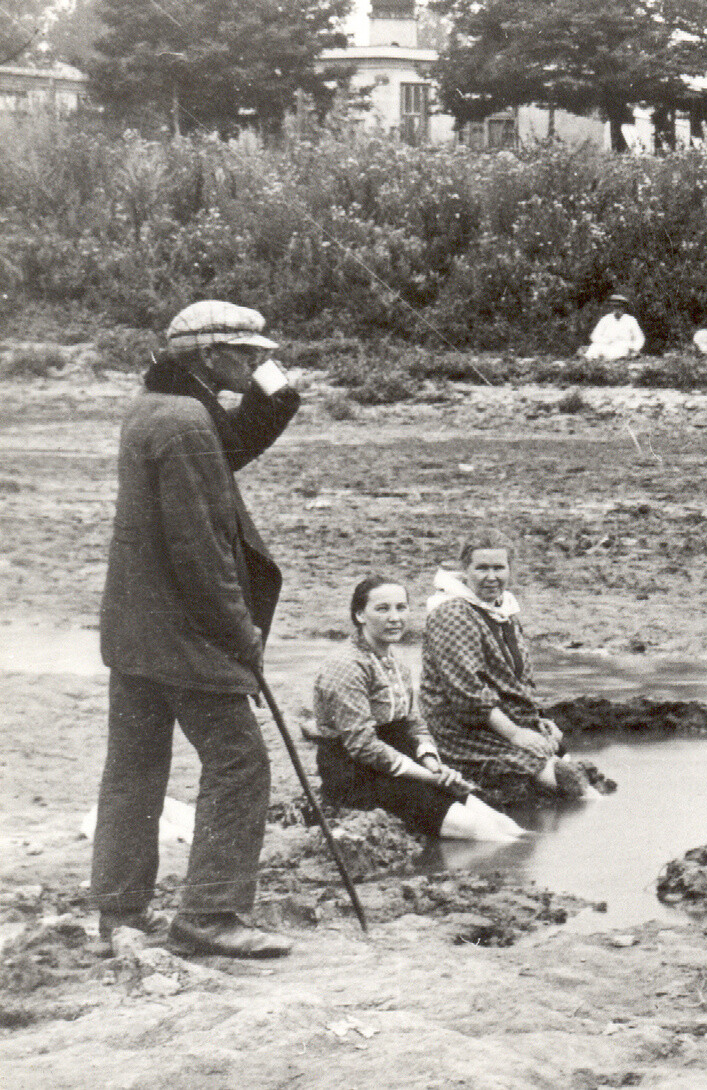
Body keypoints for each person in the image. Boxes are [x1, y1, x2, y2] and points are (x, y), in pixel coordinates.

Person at [93, 300, 300, 958]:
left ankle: (119, 914)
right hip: (183, 634)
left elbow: (225, 450)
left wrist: (275, 396)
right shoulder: (185, 423)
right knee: (240, 764)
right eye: (248, 354)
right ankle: (210, 915)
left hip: (135, 632)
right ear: (209, 356)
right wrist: (241, 635)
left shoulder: (158, 407)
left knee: (134, 770)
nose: (258, 361)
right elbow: (201, 550)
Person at [309, 576, 526, 841]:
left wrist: (433, 763)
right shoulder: (346, 666)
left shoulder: (395, 661)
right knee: (483, 832)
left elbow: (413, 722)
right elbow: (363, 746)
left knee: (504, 824)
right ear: (359, 615)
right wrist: (427, 777)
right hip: (357, 773)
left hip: (402, 761)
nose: (394, 618)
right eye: (382, 609)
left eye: (401, 608)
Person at [420, 534, 609, 806]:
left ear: (510, 569)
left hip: (502, 719)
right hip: (462, 728)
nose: (491, 577)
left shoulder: (502, 609)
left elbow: (518, 679)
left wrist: (539, 719)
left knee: (580, 773)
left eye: (499, 568)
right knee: (572, 786)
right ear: (465, 569)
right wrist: (516, 734)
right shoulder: (452, 614)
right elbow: (466, 692)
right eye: (481, 568)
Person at [581, 294, 645, 361]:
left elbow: (640, 338)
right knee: (595, 347)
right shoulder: (606, 319)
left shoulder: (631, 320)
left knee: (621, 351)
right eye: (615, 307)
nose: (617, 310)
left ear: (623, 308)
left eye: (620, 307)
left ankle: (614, 358)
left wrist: (634, 348)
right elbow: (594, 336)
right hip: (607, 346)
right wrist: (606, 340)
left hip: (624, 347)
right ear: (612, 308)